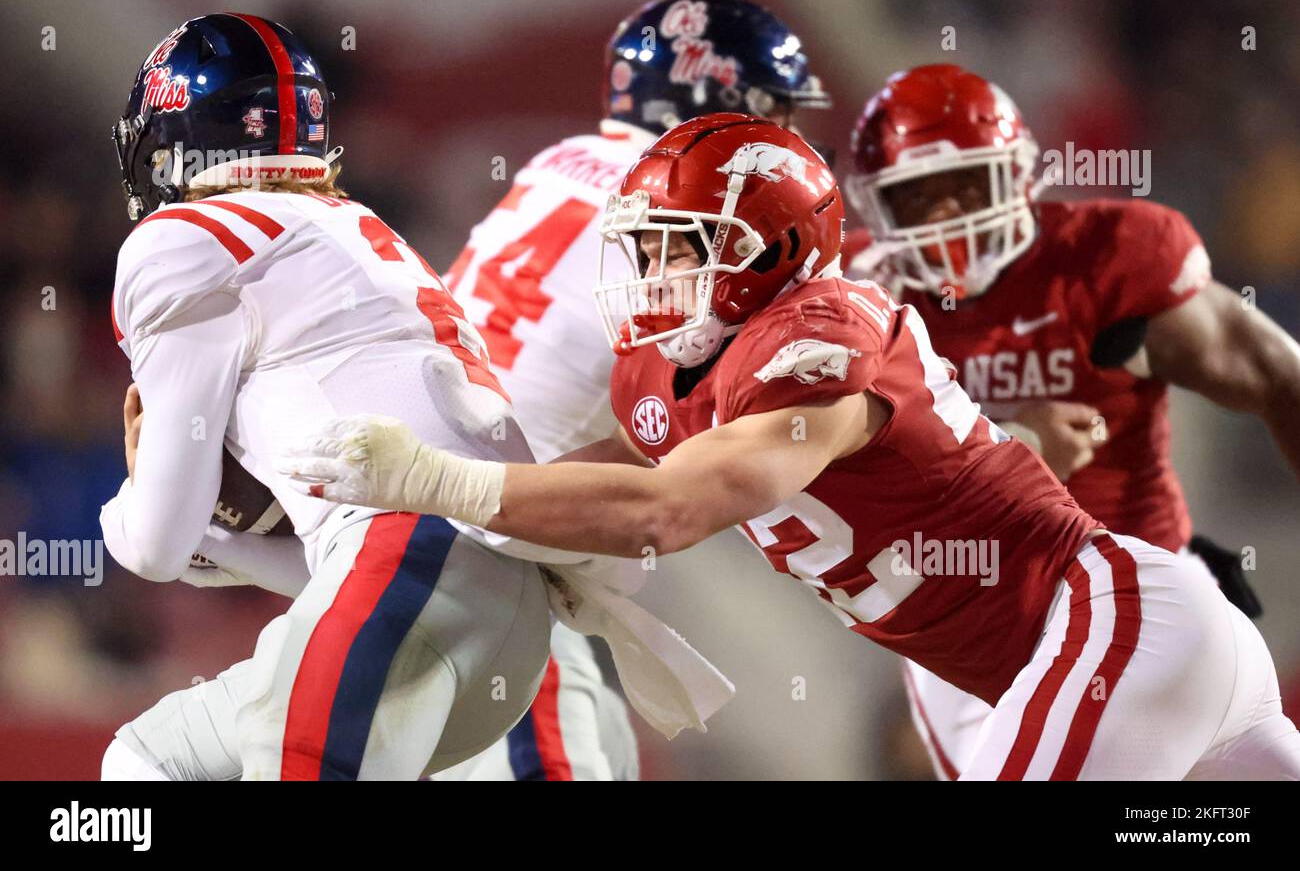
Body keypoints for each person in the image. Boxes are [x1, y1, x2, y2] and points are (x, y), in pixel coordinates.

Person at [283, 112, 1300, 779]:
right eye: (642, 246)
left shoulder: (818, 334)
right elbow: (612, 481)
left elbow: (666, 511)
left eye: (678, 246)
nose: (649, 272)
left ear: (766, 250)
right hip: (1081, 663)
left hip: (1114, 632)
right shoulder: (662, 372)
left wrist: (439, 479)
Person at [99, 13, 552, 780]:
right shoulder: (355, 229)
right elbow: (347, 559)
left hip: (409, 574)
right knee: (149, 761)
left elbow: (154, 546)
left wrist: (125, 509)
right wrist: (226, 544)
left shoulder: (181, 240)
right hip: (495, 620)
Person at [843, 63, 1300, 778]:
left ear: (1018, 174)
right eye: (919, 197)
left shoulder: (1103, 261)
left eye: (966, 185)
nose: (948, 218)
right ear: (878, 207)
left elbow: (1280, 376)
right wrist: (1015, 447)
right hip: (983, 634)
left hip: (1149, 594)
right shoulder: (855, 311)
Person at [436, 0, 830, 779]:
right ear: (725, 102)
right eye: (778, 116)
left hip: (458, 520)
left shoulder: (559, 161)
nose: (790, 142)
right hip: (499, 556)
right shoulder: (691, 211)